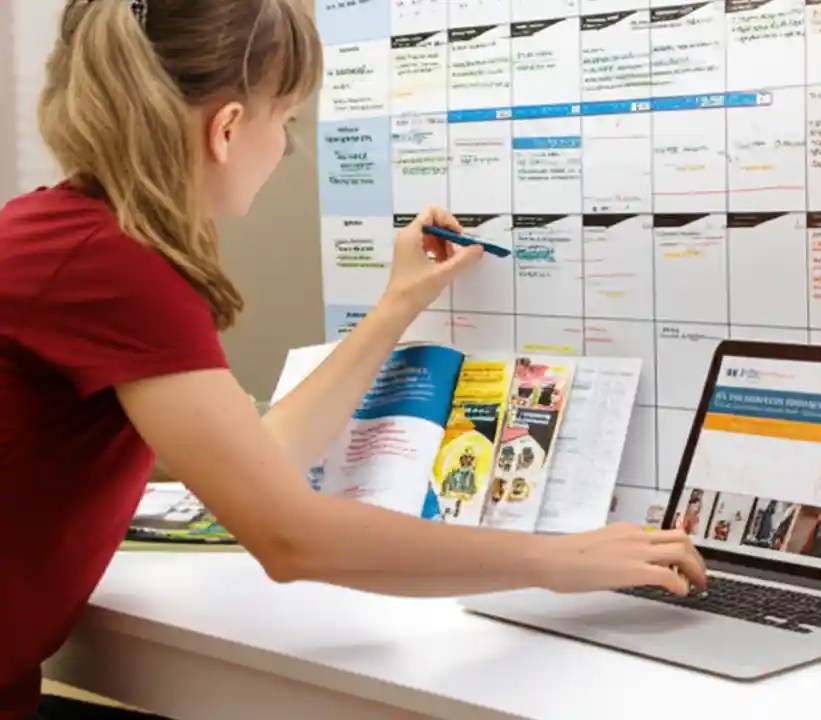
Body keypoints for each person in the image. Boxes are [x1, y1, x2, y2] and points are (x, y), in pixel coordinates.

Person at [0, 2, 706, 719]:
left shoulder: (55, 231)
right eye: (288, 120)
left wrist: (395, 308)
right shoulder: (116, 269)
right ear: (229, 128)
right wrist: (554, 561)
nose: (283, 147)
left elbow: (260, 470)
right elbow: (289, 538)